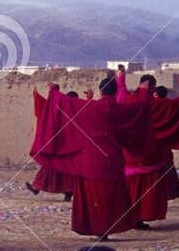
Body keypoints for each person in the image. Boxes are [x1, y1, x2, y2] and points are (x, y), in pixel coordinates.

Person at [29, 79, 153, 238]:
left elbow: (65, 104)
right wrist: (144, 91)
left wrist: (54, 90)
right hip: (113, 158)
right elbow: (141, 108)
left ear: (100, 91)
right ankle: (109, 227)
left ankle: (98, 229)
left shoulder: (90, 107)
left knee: (93, 196)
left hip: (91, 160)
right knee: (110, 196)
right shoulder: (121, 110)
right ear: (115, 92)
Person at [115, 70, 179, 227]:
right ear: (152, 87)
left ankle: (129, 217)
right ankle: (140, 217)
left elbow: (120, 96)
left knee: (130, 187)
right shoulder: (159, 104)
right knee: (146, 189)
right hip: (151, 153)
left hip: (130, 154)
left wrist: (120, 79)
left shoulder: (130, 100)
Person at [27, 87, 72, 200]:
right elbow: (48, 108)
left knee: (50, 168)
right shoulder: (64, 111)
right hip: (64, 149)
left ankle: (37, 187)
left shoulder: (66, 111)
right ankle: (67, 193)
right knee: (58, 171)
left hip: (63, 149)